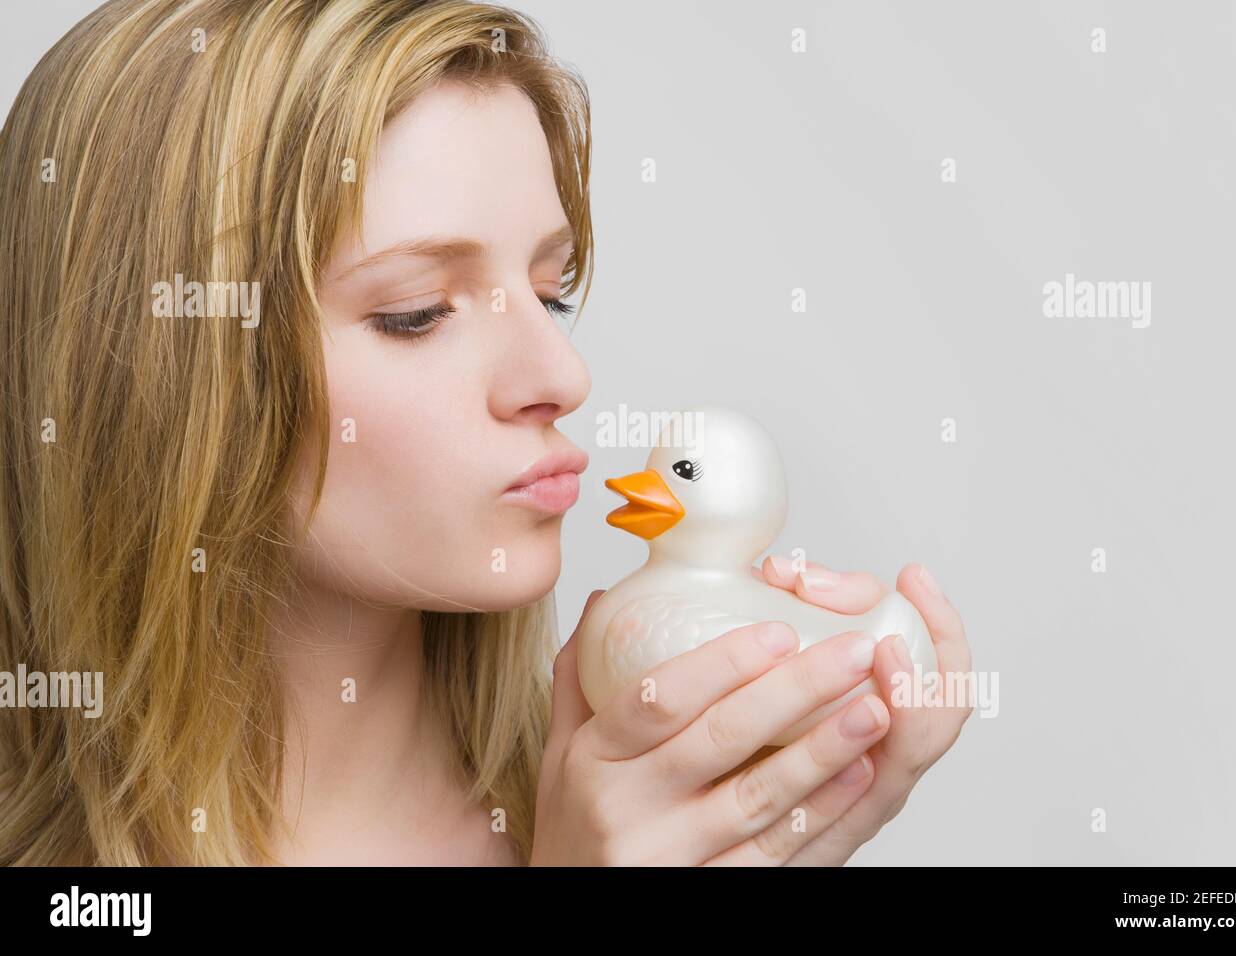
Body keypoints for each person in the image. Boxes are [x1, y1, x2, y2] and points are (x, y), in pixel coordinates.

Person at [0, 0, 971, 866]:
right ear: (157, 368)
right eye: (418, 311)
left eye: (554, 293)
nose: (563, 376)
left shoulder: (635, 815)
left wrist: (820, 738)